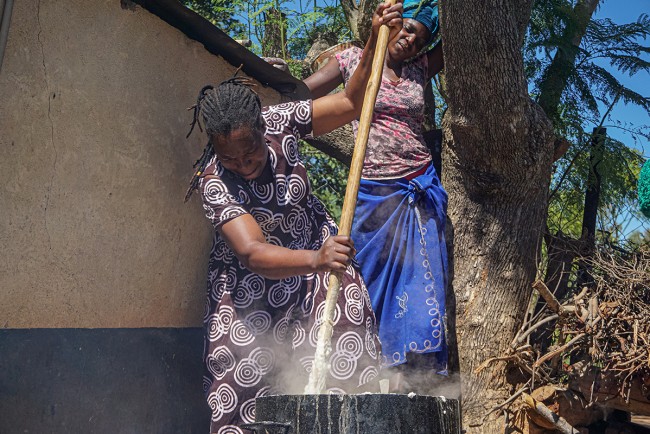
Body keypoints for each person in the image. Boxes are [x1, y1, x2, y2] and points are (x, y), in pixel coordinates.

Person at [185, 3, 403, 432]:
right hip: (254, 286)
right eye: (231, 158)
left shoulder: (281, 121)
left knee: (347, 334)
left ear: (263, 131)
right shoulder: (213, 179)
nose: (243, 164)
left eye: (250, 153)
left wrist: (376, 38)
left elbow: (350, 101)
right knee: (243, 372)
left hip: (317, 262)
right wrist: (316, 259)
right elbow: (251, 252)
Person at [303, 0, 449, 388]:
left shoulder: (419, 69)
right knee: (368, 284)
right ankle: (365, 371)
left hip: (418, 188)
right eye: (406, 29)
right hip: (370, 194)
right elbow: (302, 94)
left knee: (421, 285)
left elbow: (457, 41)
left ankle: (414, 379)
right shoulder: (352, 58)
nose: (410, 41)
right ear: (392, 23)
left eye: (420, 39)